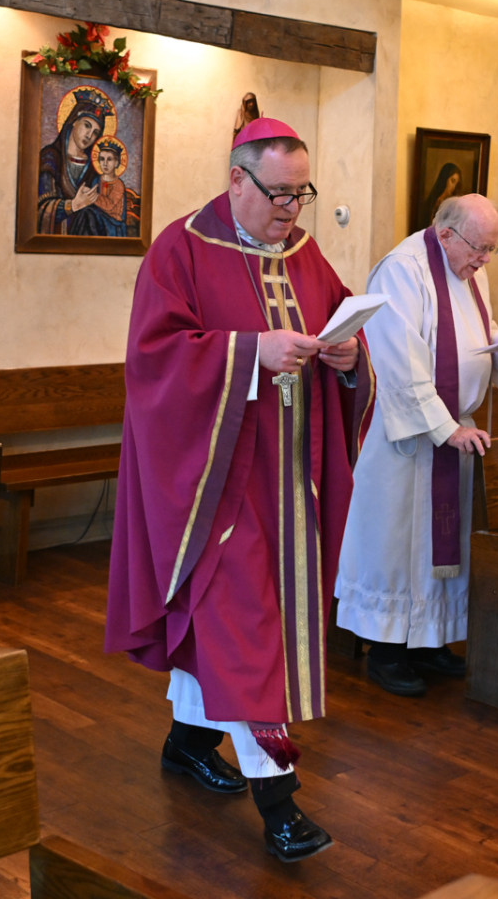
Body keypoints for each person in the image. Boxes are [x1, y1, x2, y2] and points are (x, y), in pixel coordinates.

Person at [105, 117, 373, 863]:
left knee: (242, 629)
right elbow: (154, 361)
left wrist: (349, 357)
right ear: (236, 180)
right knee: (245, 630)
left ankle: (188, 743)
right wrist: (251, 352)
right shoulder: (181, 249)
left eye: (301, 193)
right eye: (279, 193)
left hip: (292, 483)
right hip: (217, 485)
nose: (291, 209)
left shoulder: (305, 254)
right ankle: (279, 805)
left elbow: (338, 325)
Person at [336, 194, 498, 697]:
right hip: (407, 437)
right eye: (479, 248)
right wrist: (446, 429)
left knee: (440, 549)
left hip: (452, 431)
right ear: (445, 234)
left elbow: (473, 338)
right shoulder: (401, 271)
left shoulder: (468, 268)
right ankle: (387, 652)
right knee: (398, 549)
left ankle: (429, 640)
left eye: (492, 248)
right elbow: (399, 362)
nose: (485, 259)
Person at [36, 84, 113, 234]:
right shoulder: (50, 158)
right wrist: (73, 205)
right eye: (87, 125)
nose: (89, 135)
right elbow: (40, 208)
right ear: (74, 121)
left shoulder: (94, 167)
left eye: (95, 133)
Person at [87, 135, 141, 238]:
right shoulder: (96, 181)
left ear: (116, 163)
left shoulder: (118, 184)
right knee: (86, 214)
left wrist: (93, 196)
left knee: (88, 214)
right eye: (102, 159)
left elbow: (109, 205)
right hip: (98, 219)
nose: (105, 163)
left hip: (113, 224)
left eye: (109, 159)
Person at [419, 162, 462, 229]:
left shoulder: (451, 205)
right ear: (445, 178)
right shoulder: (430, 201)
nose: (453, 187)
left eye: (456, 184)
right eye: (452, 181)